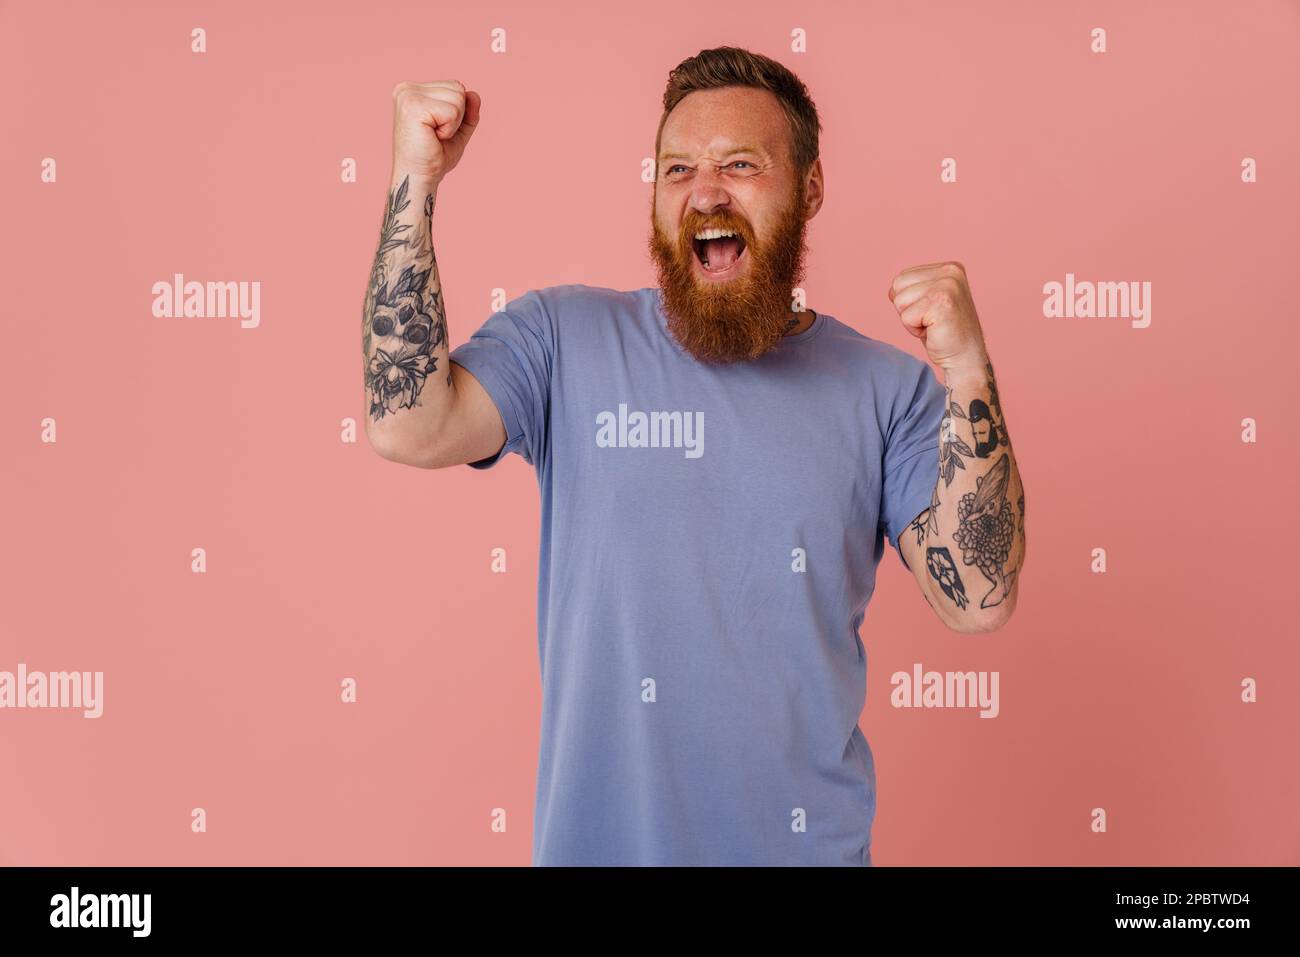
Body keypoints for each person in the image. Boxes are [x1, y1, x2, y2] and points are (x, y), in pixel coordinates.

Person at [362, 46, 1026, 866]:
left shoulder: (886, 391)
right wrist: (413, 177)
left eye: (741, 164)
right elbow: (407, 424)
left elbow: (980, 597)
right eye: (677, 169)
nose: (706, 191)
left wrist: (966, 370)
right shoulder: (562, 339)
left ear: (810, 188)